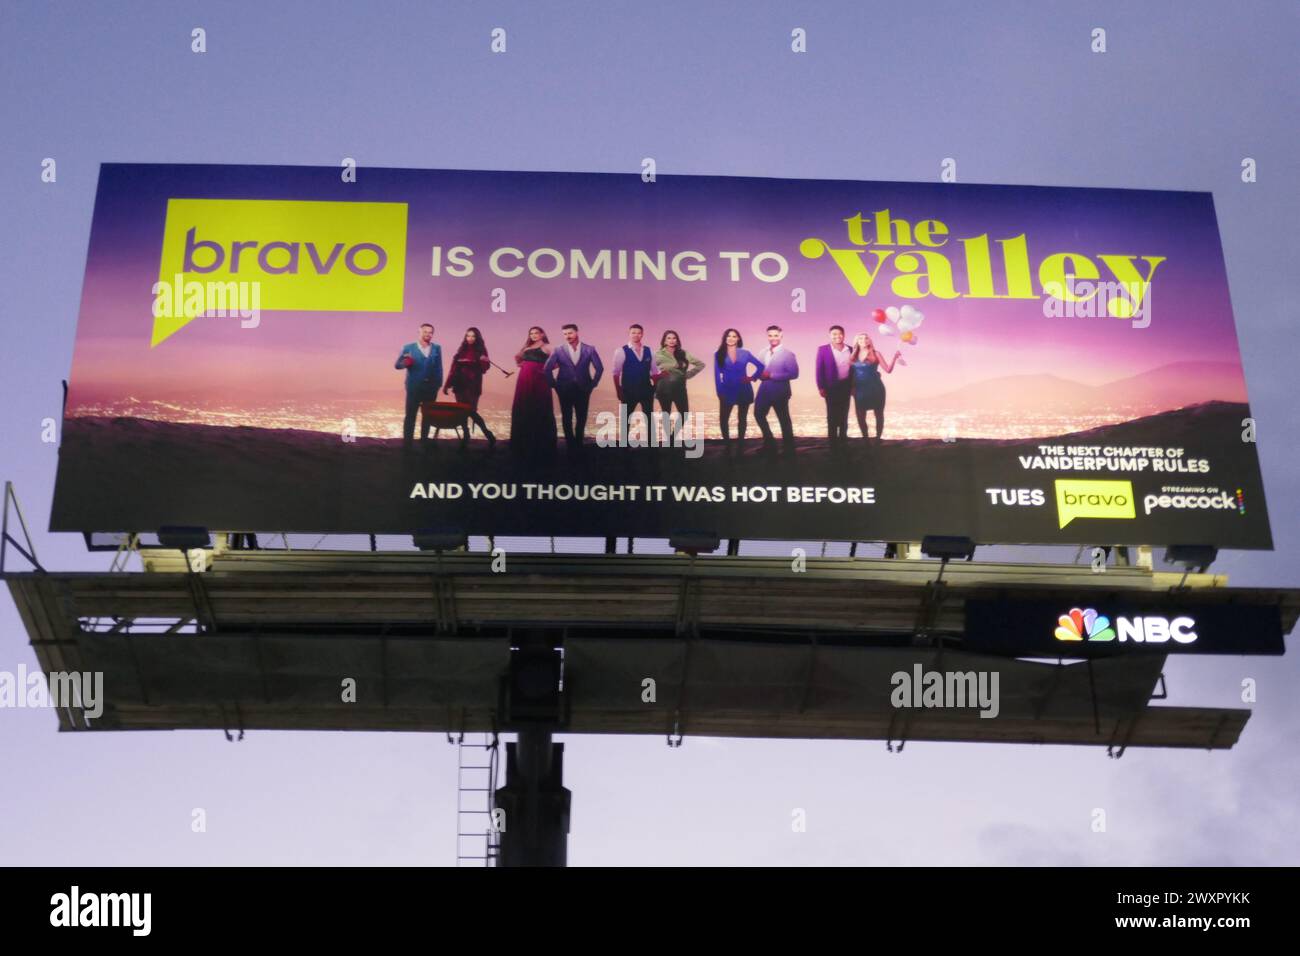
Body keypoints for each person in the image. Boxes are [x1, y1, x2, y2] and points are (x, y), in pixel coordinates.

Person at [543, 323, 604, 453]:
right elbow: (547, 368)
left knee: (582, 417)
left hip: (584, 388)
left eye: (570, 333)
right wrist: (554, 385)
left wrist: (593, 384)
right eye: (565, 334)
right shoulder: (558, 350)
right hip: (563, 388)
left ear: (577, 332)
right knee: (567, 417)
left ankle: (579, 443)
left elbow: (599, 368)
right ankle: (570, 445)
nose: (567, 336)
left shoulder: (589, 349)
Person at [443, 326, 496, 449]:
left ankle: (487, 433)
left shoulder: (481, 350)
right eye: (468, 336)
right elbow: (453, 369)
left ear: (477, 337)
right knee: (462, 411)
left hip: (473, 385)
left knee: (471, 411)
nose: (470, 338)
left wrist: (484, 361)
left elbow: (485, 368)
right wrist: (447, 385)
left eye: (473, 336)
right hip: (459, 384)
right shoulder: (461, 351)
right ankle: (466, 435)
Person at [713, 328, 764, 453]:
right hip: (727, 390)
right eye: (728, 336)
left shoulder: (745, 353)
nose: (731, 338)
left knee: (742, 418)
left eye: (734, 336)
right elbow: (717, 375)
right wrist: (719, 392)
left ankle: (741, 444)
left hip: (743, 389)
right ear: (725, 338)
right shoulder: (718, 354)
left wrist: (752, 377)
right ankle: (727, 445)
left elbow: (760, 366)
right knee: (724, 418)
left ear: (738, 339)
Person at [509, 326, 557, 458]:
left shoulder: (547, 347)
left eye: (536, 333)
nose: (534, 335)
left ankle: (541, 444)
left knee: (539, 406)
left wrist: (544, 369)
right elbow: (517, 358)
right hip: (524, 379)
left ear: (542, 334)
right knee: (523, 406)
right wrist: (522, 364)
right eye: (531, 333)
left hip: (539, 380)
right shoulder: (526, 348)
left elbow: (557, 362)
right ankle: (522, 443)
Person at [394, 322, 443, 446]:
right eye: (425, 331)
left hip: (431, 388)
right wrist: (406, 363)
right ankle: (407, 443)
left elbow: (439, 367)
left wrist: (438, 384)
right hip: (414, 387)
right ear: (419, 332)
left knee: (428, 416)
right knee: (410, 416)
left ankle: (424, 441)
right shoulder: (408, 347)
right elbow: (397, 365)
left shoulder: (437, 348)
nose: (428, 334)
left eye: (430, 332)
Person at [652, 330, 705, 441]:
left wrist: (688, 374)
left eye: (674, 338)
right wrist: (657, 376)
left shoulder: (684, 353)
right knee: (666, 414)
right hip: (664, 387)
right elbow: (648, 369)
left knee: (684, 413)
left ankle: (672, 437)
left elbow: (700, 364)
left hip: (680, 387)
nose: (671, 340)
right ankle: (668, 441)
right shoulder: (658, 354)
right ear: (664, 341)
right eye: (669, 338)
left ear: (677, 340)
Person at [754, 325, 799, 454]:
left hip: (781, 392)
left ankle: (789, 449)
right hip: (764, 391)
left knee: (784, 420)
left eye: (775, 335)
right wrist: (756, 376)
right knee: (758, 415)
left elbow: (794, 374)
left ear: (781, 335)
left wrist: (772, 375)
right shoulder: (762, 353)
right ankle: (770, 444)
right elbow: (760, 371)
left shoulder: (788, 354)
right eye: (770, 335)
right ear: (767, 336)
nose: (773, 338)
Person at [850, 332, 903, 440]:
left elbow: (888, 370)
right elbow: (850, 373)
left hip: (876, 388)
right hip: (860, 389)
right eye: (860, 338)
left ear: (869, 341)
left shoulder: (876, 353)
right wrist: (851, 388)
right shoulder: (852, 355)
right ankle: (865, 440)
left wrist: (894, 357)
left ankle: (878, 439)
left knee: (879, 414)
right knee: (860, 415)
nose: (864, 340)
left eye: (866, 338)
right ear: (857, 341)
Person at [611, 323, 655, 443]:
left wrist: (654, 387)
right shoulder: (621, 351)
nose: (636, 335)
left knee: (649, 419)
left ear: (642, 334)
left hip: (646, 390)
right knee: (626, 420)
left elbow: (654, 371)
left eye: (638, 333)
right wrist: (618, 391)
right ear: (629, 334)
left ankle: (652, 447)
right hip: (628, 391)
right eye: (633, 332)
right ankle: (624, 447)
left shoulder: (649, 351)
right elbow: (616, 373)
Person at [815, 325, 854, 446]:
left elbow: (855, 369)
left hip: (846, 386)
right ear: (830, 336)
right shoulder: (823, 349)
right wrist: (821, 387)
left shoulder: (851, 349)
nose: (837, 336)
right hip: (830, 387)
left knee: (844, 415)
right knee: (832, 415)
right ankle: (833, 442)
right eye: (834, 334)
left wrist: (854, 386)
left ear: (844, 335)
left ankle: (843, 440)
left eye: (840, 334)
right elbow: (819, 369)